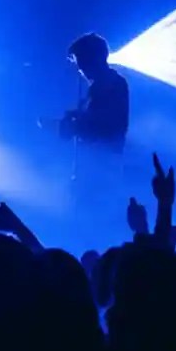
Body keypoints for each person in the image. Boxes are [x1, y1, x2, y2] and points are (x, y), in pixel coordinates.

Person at [57, 33, 130, 235]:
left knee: (95, 228)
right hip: (93, 171)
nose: (79, 69)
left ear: (94, 58)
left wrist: (74, 125)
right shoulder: (97, 88)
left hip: (102, 174)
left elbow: (106, 128)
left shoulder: (112, 85)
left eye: (80, 62)